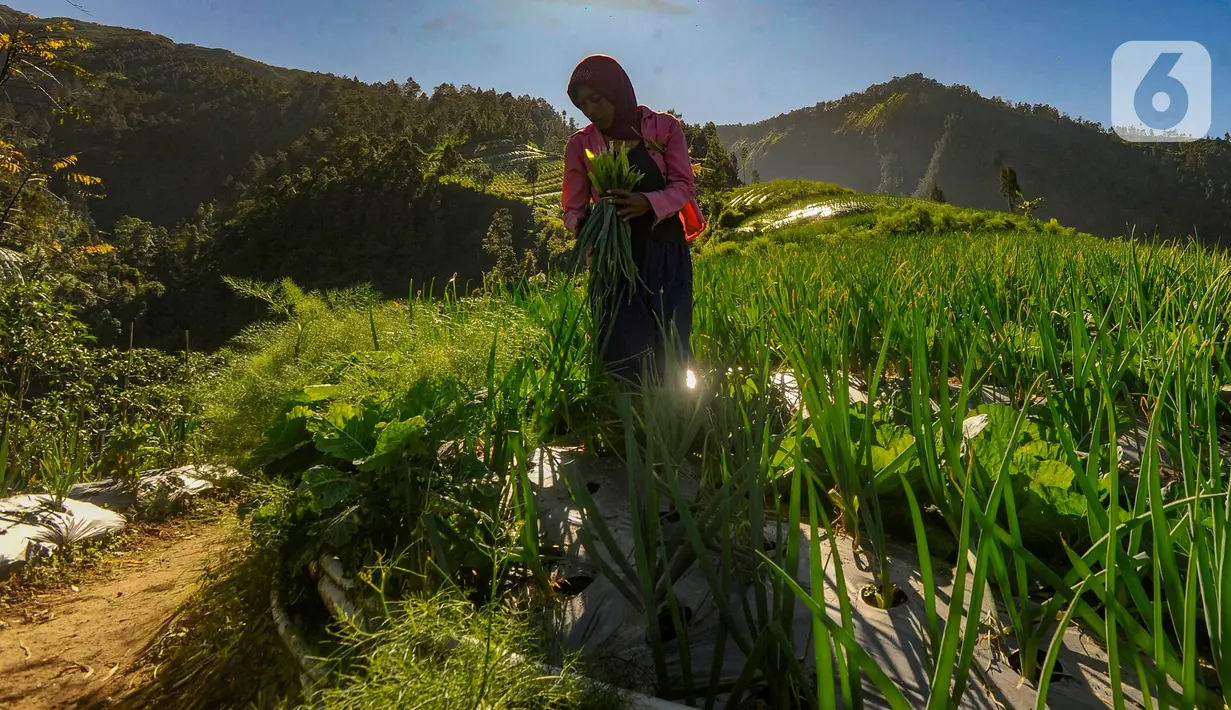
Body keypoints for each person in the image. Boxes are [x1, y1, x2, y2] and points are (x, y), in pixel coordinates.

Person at [561, 54, 707, 390]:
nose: (591, 110)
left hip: (664, 252)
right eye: (582, 104)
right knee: (621, 348)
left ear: (616, 91)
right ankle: (624, 414)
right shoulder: (581, 145)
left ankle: (674, 413)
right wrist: (581, 225)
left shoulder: (663, 128)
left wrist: (647, 203)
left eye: (596, 99)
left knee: (669, 342)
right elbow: (572, 207)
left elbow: (683, 186)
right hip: (614, 257)